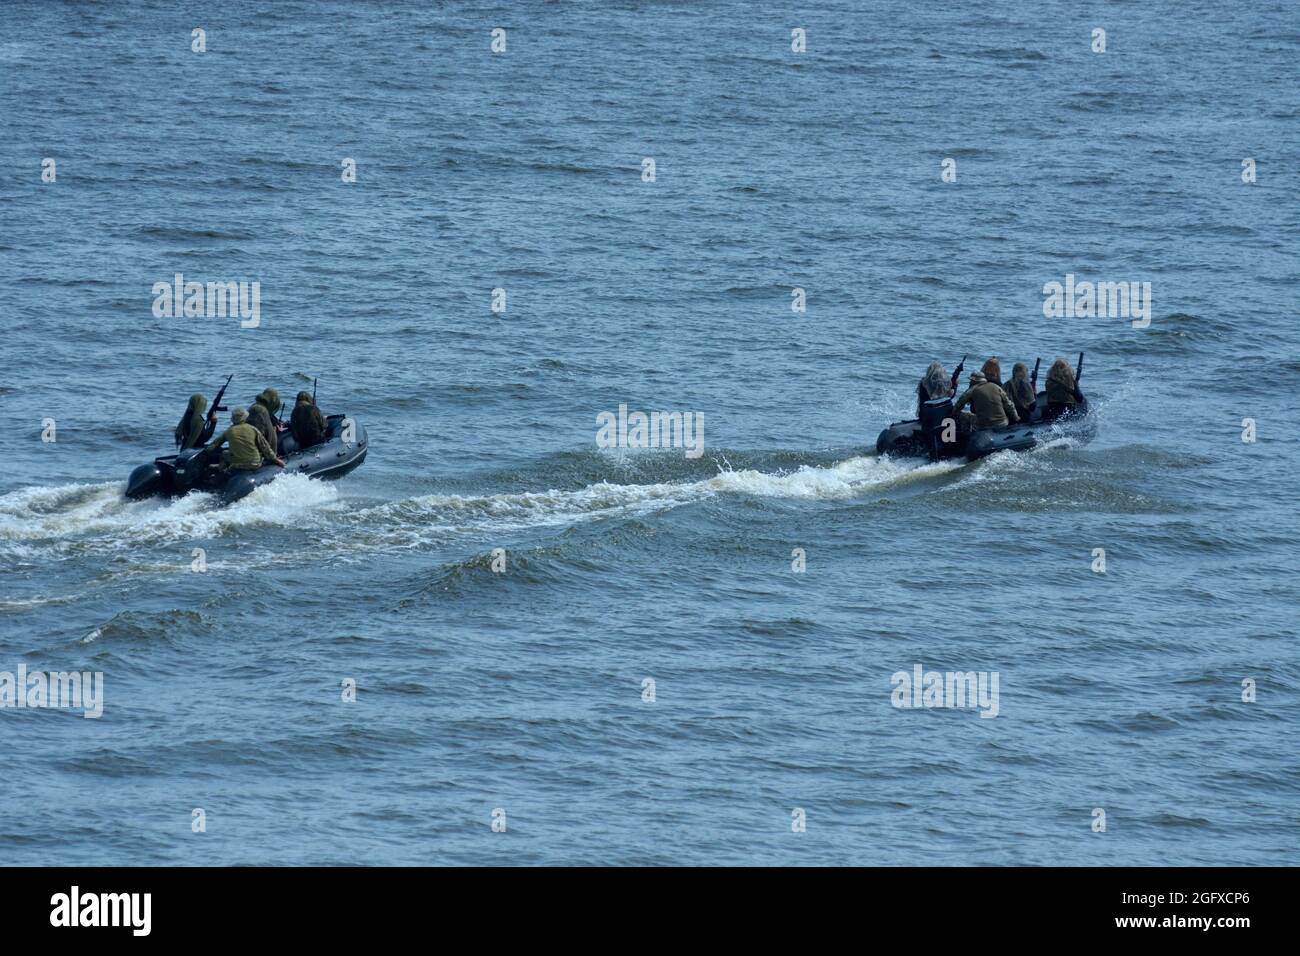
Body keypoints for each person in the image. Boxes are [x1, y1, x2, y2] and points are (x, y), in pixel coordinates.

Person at [205, 407, 284, 471]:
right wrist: (276, 460)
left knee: (224, 453)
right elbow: (265, 447)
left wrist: (206, 451)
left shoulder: (229, 431)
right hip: (255, 463)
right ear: (245, 418)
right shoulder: (253, 429)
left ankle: (221, 471)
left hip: (238, 464)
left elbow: (214, 445)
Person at [954, 369, 1018, 431]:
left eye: (971, 380)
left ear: (973, 381)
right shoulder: (996, 386)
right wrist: (1016, 417)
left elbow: (959, 405)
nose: (970, 382)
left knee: (963, 415)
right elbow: (1009, 405)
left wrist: (954, 412)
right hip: (1003, 423)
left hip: (984, 426)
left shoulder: (971, 390)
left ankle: (967, 434)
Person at [245, 389, 283, 454]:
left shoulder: (253, 407)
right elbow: (269, 435)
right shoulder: (262, 411)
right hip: (257, 451)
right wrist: (274, 455)